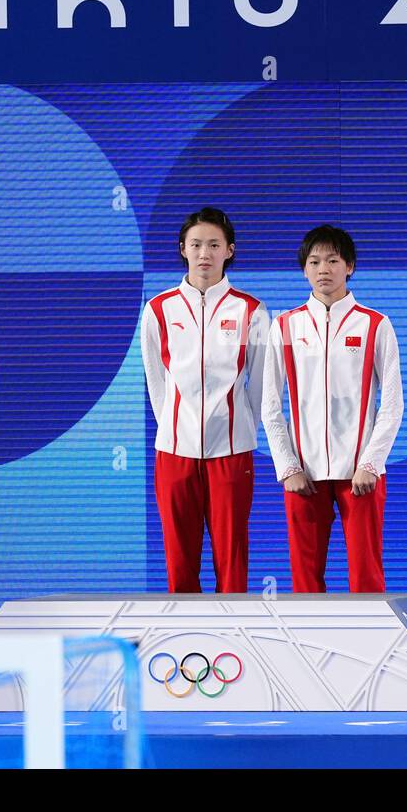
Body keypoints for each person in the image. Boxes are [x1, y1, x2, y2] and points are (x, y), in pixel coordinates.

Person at [262, 225, 403, 593]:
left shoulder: (375, 325)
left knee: (366, 577)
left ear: (350, 266)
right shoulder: (285, 326)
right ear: (304, 270)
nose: (323, 269)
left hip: (360, 473)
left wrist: (371, 463)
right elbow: (269, 407)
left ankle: (373, 649)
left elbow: (391, 404)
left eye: (332, 260)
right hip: (303, 474)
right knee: (305, 581)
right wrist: (288, 468)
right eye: (314, 261)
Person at [141, 207, 269, 592]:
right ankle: (185, 643)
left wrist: (238, 429)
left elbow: (259, 386)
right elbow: (157, 382)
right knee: (179, 558)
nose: (204, 254)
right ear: (183, 249)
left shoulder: (251, 310)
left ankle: (234, 645)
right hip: (174, 453)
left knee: (232, 560)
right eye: (196, 245)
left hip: (231, 450)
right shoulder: (159, 309)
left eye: (214, 245)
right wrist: (176, 429)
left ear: (229, 250)